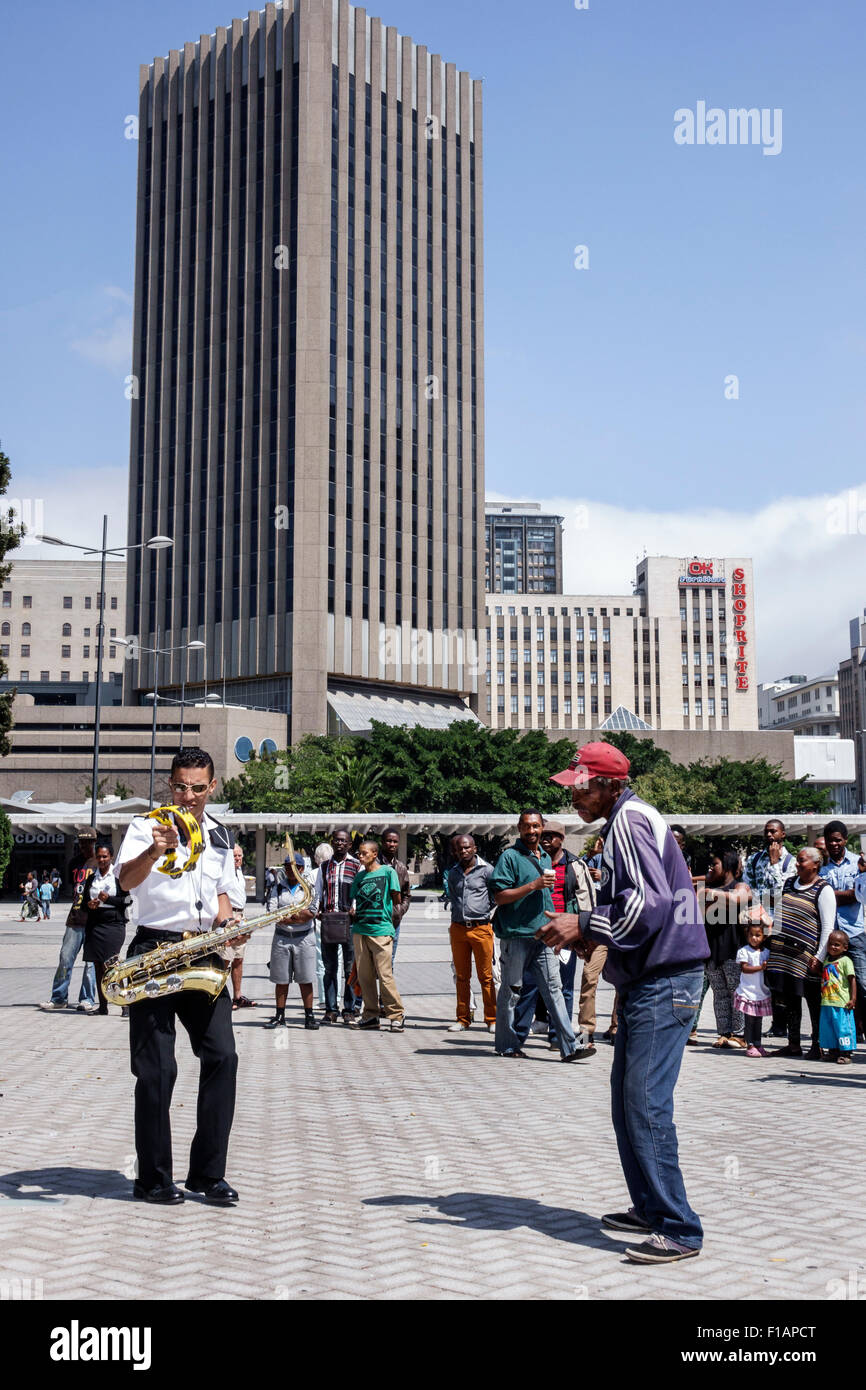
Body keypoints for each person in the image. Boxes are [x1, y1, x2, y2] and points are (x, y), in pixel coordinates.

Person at [540, 742, 710, 1264]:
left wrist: (585, 923)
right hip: (651, 981)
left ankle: (679, 1227)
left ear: (611, 785)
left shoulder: (631, 821)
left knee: (645, 1104)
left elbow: (648, 904)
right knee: (628, 1102)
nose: (575, 796)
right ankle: (650, 1207)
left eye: (582, 786)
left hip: (666, 981)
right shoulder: (624, 821)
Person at [115, 748, 245, 1206]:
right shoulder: (143, 826)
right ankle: (151, 1177)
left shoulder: (220, 836)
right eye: (178, 786)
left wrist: (228, 925)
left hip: (204, 953)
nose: (187, 796)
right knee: (157, 1071)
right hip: (154, 949)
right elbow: (126, 882)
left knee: (223, 1057)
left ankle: (207, 1175)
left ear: (212, 788)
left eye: (196, 787)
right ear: (168, 785)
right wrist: (156, 849)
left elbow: (223, 894)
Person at [490, 810, 590, 1063]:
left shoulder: (544, 856)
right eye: (527, 827)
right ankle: (506, 1044)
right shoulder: (509, 857)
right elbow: (500, 897)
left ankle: (569, 1047)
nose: (532, 831)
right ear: (519, 828)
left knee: (554, 990)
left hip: (543, 935)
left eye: (536, 826)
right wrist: (533, 885)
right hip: (516, 936)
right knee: (512, 991)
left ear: (542, 827)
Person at [513, 819, 597, 1051]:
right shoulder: (532, 860)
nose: (546, 839)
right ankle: (517, 1037)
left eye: (552, 835)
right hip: (536, 933)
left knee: (563, 987)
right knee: (528, 986)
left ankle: (557, 1037)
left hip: (566, 935)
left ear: (562, 838)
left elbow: (587, 899)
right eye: (544, 834)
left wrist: (584, 932)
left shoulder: (575, 865)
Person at [766, 846, 835, 1060]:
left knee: (813, 1002)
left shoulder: (824, 890)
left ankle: (817, 1044)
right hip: (783, 954)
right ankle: (793, 1044)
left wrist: (819, 957)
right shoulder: (789, 884)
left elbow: (828, 927)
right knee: (789, 1000)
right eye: (797, 860)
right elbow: (777, 912)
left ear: (815, 864)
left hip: (806, 957)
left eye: (802, 861)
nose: (797, 864)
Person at [743, 819, 795, 1038]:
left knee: (778, 976)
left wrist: (775, 864)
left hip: (779, 925)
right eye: (766, 832)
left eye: (773, 832)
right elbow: (748, 887)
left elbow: (784, 891)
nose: (769, 835)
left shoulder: (790, 862)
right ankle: (763, 1023)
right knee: (761, 974)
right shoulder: (755, 859)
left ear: (783, 835)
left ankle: (781, 1023)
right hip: (758, 924)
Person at [39, 830, 99, 1013]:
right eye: (81, 842)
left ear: (94, 842)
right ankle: (59, 997)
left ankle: (87, 998)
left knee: (91, 963)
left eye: (88, 842)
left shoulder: (101, 861)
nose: (84, 845)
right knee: (65, 958)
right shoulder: (73, 862)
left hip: (94, 920)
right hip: (75, 917)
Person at [348, 839, 405, 1032]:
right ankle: (370, 1016)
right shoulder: (360, 876)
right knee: (365, 977)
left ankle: (396, 1015)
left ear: (374, 854)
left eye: (364, 853)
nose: (360, 856)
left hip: (381, 930)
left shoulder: (388, 872)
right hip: (360, 930)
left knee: (385, 974)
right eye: (359, 853)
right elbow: (355, 900)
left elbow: (396, 897)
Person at [699, 851, 751, 1050]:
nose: (711, 868)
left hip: (733, 948)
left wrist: (711, 895)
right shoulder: (709, 888)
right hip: (712, 949)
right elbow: (700, 912)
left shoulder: (740, 886)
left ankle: (740, 1034)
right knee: (719, 993)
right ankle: (724, 1033)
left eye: (715, 864)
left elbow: (739, 898)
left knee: (736, 991)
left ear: (728, 867)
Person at [445, 835, 497, 1033]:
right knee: (461, 976)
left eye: (467, 848)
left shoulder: (487, 870)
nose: (463, 851)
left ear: (474, 848)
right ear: (455, 851)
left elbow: (495, 896)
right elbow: (453, 896)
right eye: (460, 849)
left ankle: (491, 1019)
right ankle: (462, 1019)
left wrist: (481, 911)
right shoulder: (453, 872)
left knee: (486, 976)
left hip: (481, 928)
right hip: (458, 928)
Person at [820, 821, 866, 1042]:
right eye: (830, 840)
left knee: (862, 983)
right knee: (835, 986)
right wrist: (844, 894)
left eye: (838, 839)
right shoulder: (821, 868)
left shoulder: (858, 864)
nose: (834, 844)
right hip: (831, 937)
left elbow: (858, 895)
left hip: (854, 933)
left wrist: (830, 895)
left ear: (845, 840)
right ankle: (847, 1030)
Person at [264, 855, 319, 1031]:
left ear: (301, 869)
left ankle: (309, 1016)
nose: (289, 870)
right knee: (281, 978)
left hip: (304, 938)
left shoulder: (309, 888)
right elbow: (272, 911)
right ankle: (280, 1015)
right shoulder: (278, 887)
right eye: (286, 867)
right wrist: (296, 917)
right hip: (282, 937)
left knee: (305, 978)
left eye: (293, 867)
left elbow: (312, 911)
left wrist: (290, 918)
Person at [313, 829, 360, 1024]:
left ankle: (349, 1009)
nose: (339, 843)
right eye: (336, 840)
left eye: (343, 841)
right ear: (332, 843)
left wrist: (355, 907)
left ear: (350, 844)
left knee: (349, 969)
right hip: (329, 922)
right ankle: (331, 1010)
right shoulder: (325, 867)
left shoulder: (357, 866)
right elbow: (318, 892)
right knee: (329, 968)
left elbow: (360, 890)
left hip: (349, 923)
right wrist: (316, 910)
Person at [82, 842, 129, 1015]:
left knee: (112, 965)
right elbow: (82, 906)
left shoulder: (118, 876)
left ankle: (125, 1004)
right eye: (99, 856)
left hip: (113, 925)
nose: (101, 860)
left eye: (105, 856)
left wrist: (109, 899)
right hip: (95, 924)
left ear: (111, 857)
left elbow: (128, 900)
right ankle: (103, 1006)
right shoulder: (91, 878)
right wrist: (89, 905)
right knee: (97, 966)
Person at [224, 844, 256, 1011]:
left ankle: (237, 996)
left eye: (239, 856)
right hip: (229, 918)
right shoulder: (224, 873)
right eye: (234, 856)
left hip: (240, 915)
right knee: (225, 958)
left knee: (239, 958)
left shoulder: (239, 873)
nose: (237, 859)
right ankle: (219, 996)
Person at [733, 922, 772, 1057]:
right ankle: (750, 1044)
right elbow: (744, 968)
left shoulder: (766, 953)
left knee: (758, 1021)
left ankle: (758, 1044)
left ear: (764, 937)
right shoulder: (744, 951)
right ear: (747, 935)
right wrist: (761, 967)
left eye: (758, 935)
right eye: (751, 935)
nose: (754, 938)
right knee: (749, 1020)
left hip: (761, 993)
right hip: (748, 992)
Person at [819, 930, 857, 1064]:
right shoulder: (826, 961)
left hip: (841, 1002)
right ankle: (833, 1051)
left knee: (843, 1028)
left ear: (845, 947)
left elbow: (852, 979)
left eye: (837, 945)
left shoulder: (846, 961)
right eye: (830, 944)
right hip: (827, 1001)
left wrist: (853, 999)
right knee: (828, 1029)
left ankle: (846, 1053)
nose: (833, 947)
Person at [380, 828, 412, 961]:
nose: (392, 844)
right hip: (375, 921)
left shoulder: (401, 867)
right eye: (389, 841)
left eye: (395, 841)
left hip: (393, 921)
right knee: (373, 962)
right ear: (382, 842)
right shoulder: (372, 865)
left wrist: (399, 910)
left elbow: (406, 894)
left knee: (389, 960)